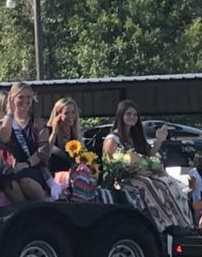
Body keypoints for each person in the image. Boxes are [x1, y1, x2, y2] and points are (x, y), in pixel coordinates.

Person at [102, 100, 194, 233]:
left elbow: (148, 154)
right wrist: (134, 171)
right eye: (128, 114)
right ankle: (165, 224)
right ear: (121, 115)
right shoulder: (113, 138)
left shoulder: (135, 136)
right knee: (149, 185)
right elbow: (110, 164)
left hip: (140, 174)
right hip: (123, 179)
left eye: (135, 115)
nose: (132, 117)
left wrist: (159, 141)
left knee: (168, 182)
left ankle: (183, 222)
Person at [0, 82, 51, 203]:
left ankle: (45, 208)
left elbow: (43, 151)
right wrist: (10, 113)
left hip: (33, 168)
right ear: (11, 98)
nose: (25, 101)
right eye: (20, 97)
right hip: (10, 170)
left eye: (28, 97)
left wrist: (27, 164)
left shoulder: (38, 124)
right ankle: (25, 211)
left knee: (26, 180)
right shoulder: (5, 122)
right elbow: (3, 139)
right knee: (9, 183)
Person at [47, 97, 81, 174]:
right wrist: (54, 132)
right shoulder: (48, 131)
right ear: (58, 115)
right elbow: (45, 154)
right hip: (54, 173)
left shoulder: (74, 134)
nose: (70, 116)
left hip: (72, 174)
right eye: (66, 113)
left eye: (73, 112)